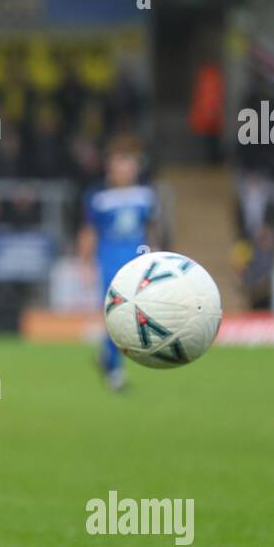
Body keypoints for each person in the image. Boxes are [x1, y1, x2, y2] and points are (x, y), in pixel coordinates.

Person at [76, 139, 159, 391]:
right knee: (116, 317)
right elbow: (88, 232)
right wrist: (86, 264)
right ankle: (114, 372)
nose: (124, 168)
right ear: (110, 166)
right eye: (119, 162)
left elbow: (153, 229)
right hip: (110, 263)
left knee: (137, 317)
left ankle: (106, 356)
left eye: (128, 162)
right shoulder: (98, 197)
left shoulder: (146, 195)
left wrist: (156, 256)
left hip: (138, 263)